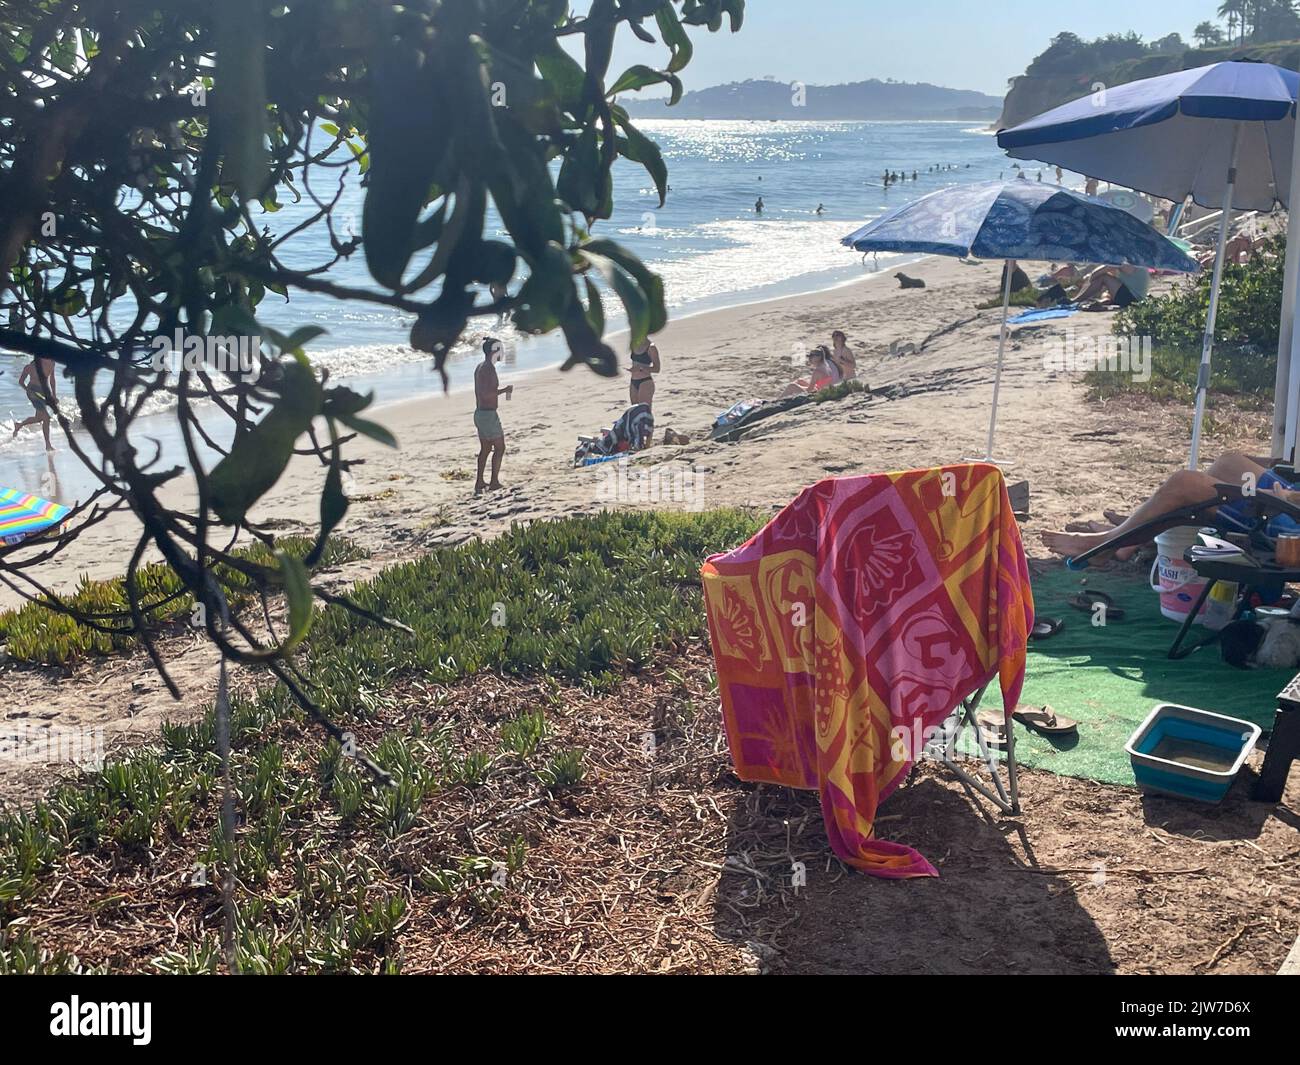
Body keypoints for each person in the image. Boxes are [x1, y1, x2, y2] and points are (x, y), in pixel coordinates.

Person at [1041, 452, 1300, 563]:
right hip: (1291, 500)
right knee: (1228, 463)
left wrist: (1284, 497)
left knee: (1186, 484)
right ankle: (1128, 538)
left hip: (1291, 523)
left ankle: (1104, 544)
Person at [473, 338, 512, 495]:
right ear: (493, 351)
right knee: (500, 447)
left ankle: (480, 481)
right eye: (500, 349)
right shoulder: (488, 369)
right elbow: (485, 393)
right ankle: (494, 481)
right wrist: (504, 391)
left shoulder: (480, 367)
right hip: (488, 414)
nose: (502, 352)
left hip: (481, 413)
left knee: (486, 448)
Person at [11, 357, 56, 451]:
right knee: (46, 418)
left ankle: (19, 425)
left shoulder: (52, 363)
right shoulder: (30, 367)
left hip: (43, 392)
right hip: (33, 391)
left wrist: (54, 396)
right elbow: (21, 382)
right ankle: (48, 445)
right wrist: (28, 390)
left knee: (39, 418)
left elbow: (52, 380)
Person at [1072, 263, 1149, 308]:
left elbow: (1105, 269)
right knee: (1105, 290)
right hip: (1133, 297)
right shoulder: (1137, 261)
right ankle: (1079, 299)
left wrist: (1091, 276)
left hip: (1133, 299)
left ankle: (1077, 300)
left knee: (1103, 277)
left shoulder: (1130, 264)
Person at [629, 336, 660, 407]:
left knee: (644, 411)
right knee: (635, 412)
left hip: (645, 382)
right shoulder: (634, 344)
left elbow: (657, 369)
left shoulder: (651, 347)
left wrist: (640, 368)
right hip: (633, 381)